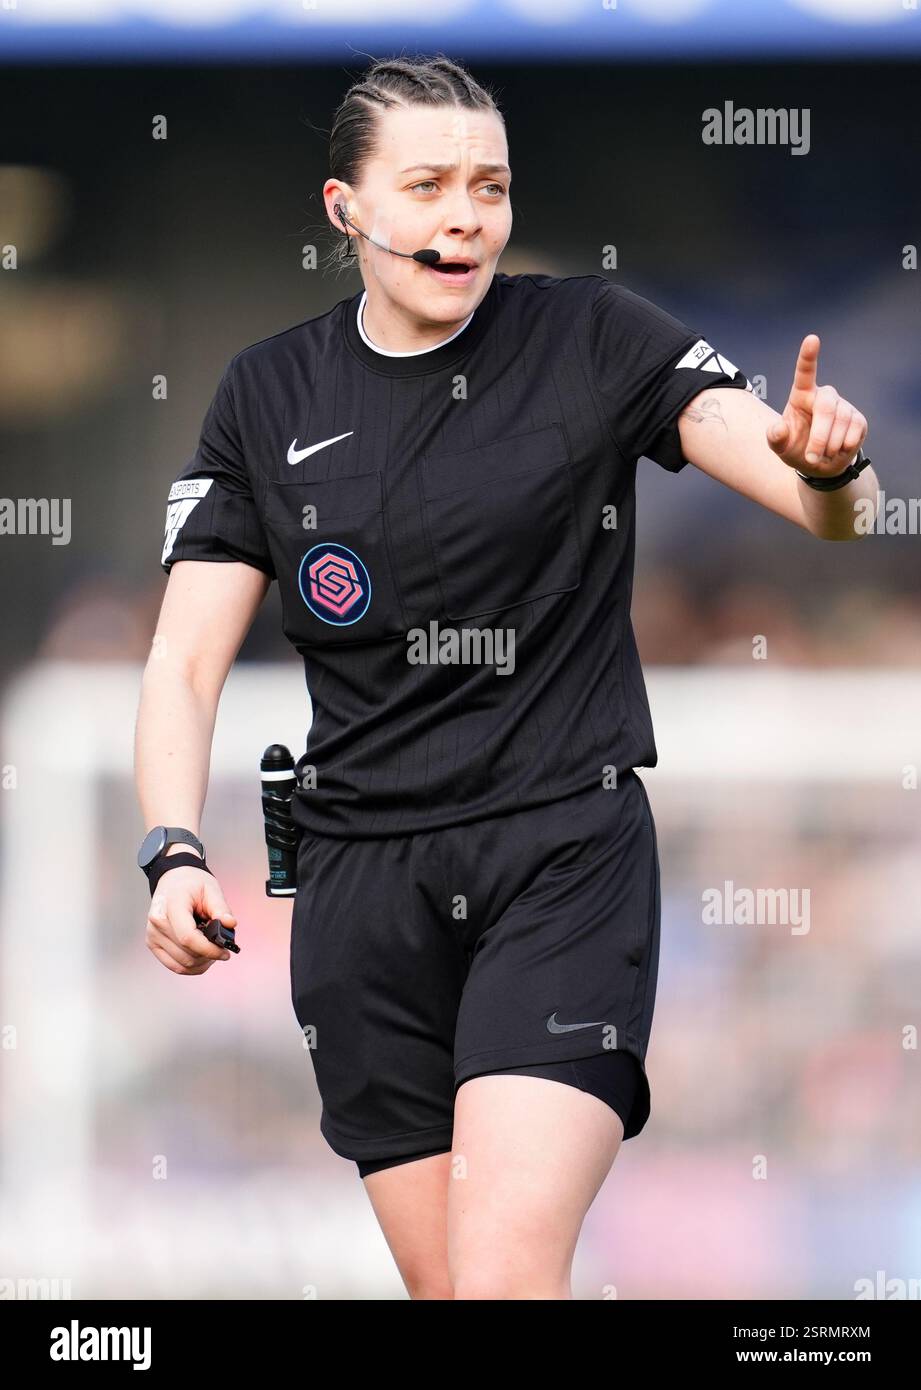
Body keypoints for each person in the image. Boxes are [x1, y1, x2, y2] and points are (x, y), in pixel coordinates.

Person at [135, 54, 875, 1301]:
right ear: (345, 209)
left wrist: (827, 470)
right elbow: (183, 653)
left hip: (561, 862)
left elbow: (821, 512)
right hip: (364, 894)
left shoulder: (594, 334)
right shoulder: (268, 391)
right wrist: (171, 846)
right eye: (426, 185)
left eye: (490, 185)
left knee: (502, 1281)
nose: (464, 215)